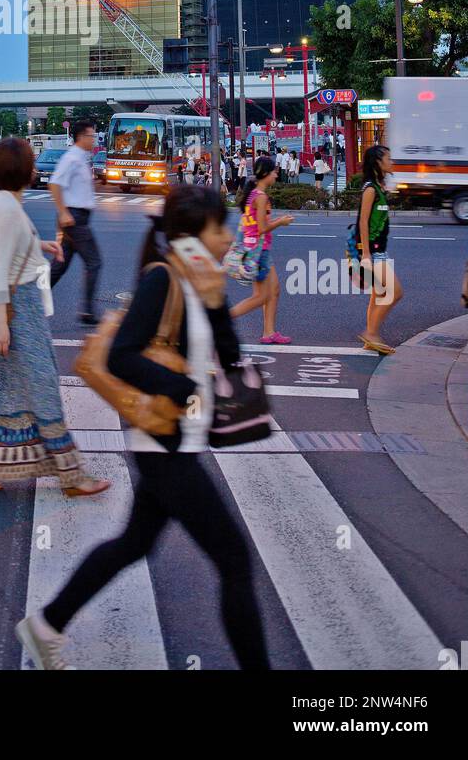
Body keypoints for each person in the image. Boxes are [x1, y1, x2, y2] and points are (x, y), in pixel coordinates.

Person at [16, 185, 271, 671]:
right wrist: (184, 390)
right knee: (235, 561)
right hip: (163, 444)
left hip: (179, 440)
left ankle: (45, 625)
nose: (228, 236)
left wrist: (216, 303)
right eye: (220, 228)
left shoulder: (199, 280)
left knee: (134, 543)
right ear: (192, 234)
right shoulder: (162, 280)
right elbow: (121, 356)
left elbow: (231, 357)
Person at [0, 136, 109, 497]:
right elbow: (1, 266)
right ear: (23, 169)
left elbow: (5, 249)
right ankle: (72, 476)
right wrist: (2, 323)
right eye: (32, 159)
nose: (36, 164)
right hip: (17, 310)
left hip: (17, 307)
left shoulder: (5, 201)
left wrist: (40, 245)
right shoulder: (8, 207)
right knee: (43, 387)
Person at [229, 155, 292, 344]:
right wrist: (280, 222)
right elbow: (263, 229)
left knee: (274, 290)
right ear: (265, 173)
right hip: (259, 251)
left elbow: (256, 225)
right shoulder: (261, 197)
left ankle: (269, 332)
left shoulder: (253, 194)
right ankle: (221, 319)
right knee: (261, 296)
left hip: (255, 249)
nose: (276, 175)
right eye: (274, 172)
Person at [48, 119, 102, 325]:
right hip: (74, 218)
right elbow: (54, 184)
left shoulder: (82, 157)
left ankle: (32, 300)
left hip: (77, 217)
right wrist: (63, 212)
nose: (94, 139)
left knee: (59, 266)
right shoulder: (71, 158)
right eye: (92, 136)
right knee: (94, 262)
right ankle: (88, 311)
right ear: (81, 137)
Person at [354, 144, 403, 356]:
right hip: (371, 251)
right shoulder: (370, 189)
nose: (391, 162)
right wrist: (365, 254)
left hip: (379, 249)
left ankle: (370, 341)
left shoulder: (379, 186)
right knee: (396, 292)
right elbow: (362, 222)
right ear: (378, 163)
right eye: (388, 159)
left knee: (379, 294)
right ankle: (371, 333)